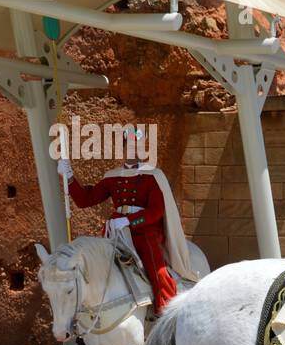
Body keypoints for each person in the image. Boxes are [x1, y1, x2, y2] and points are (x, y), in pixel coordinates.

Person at [57, 131, 196, 316]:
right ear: (123, 149)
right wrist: (70, 177)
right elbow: (85, 199)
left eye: (138, 146)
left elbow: (156, 212)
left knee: (157, 271)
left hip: (143, 230)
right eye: (129, 146)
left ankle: (167, 313)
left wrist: (129, 220)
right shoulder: (113, 176)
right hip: (116, 231)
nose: (133, 150)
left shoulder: (152, 175)